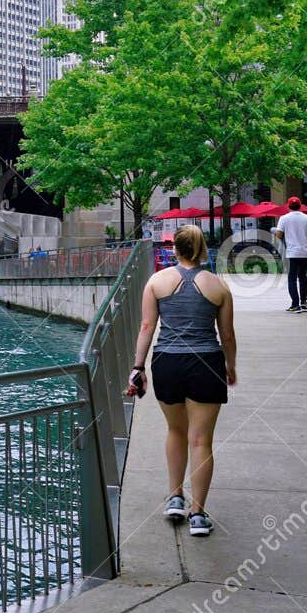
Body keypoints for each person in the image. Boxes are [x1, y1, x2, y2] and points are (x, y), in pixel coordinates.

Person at [125, 224, 236, 538]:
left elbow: (147, 326)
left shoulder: (157, 282)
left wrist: (138, 367)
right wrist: (231, 366)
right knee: (201, 440)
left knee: (175, 430)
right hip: (207, 362)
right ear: (201, 249)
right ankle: (198, 516)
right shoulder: (218, 286)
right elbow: (227, 335)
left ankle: (175, 496)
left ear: (175, 249)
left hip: (167, 362)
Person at [273, 198, 307, 312]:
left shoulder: (283, 218)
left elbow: (278, 236)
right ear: (300, 205)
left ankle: (295, 304)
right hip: (305, 252)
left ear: (288, 206)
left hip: (292, 253)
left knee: (292, 278)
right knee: (302, 277)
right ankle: (304, 303)